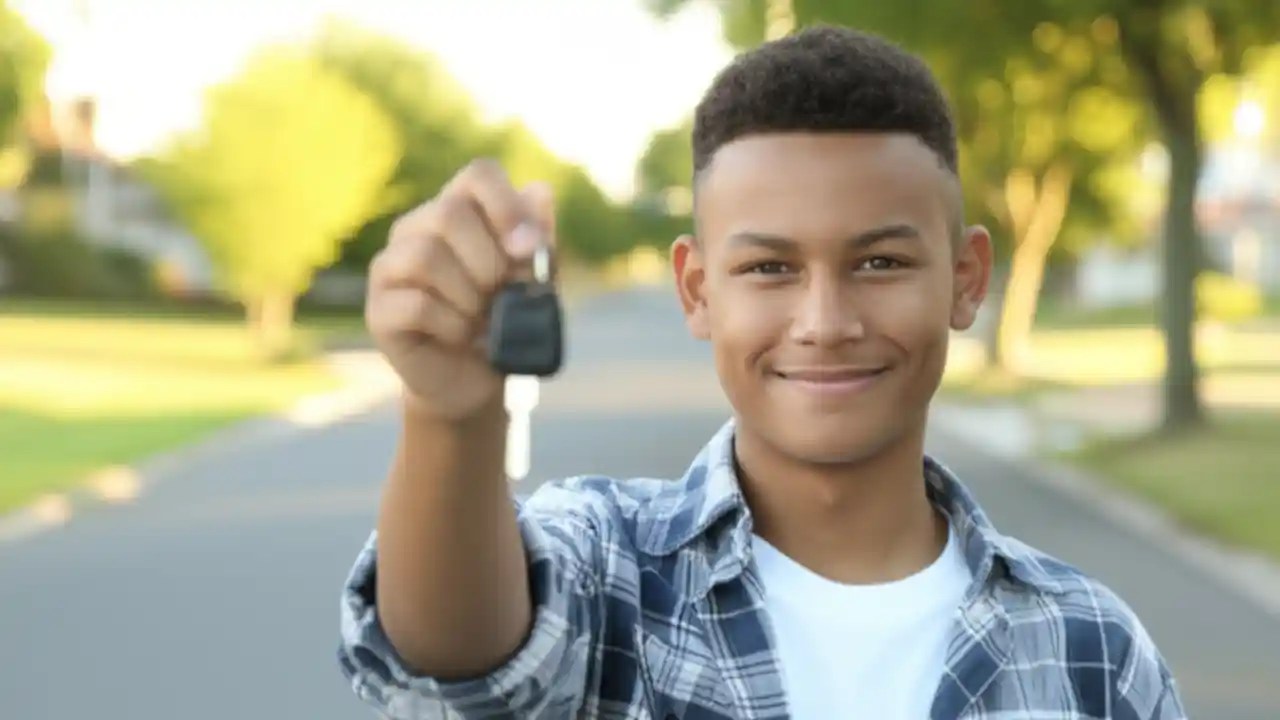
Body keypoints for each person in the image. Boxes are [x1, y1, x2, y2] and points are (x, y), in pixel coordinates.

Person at [337, 25, 1186, 720]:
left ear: (965, 280)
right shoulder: (606, 566)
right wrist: (450, 417)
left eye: (882, 263)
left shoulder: (1091, 648)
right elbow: (453, 661)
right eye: (770, 270)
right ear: (697, 290)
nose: (826, 323)